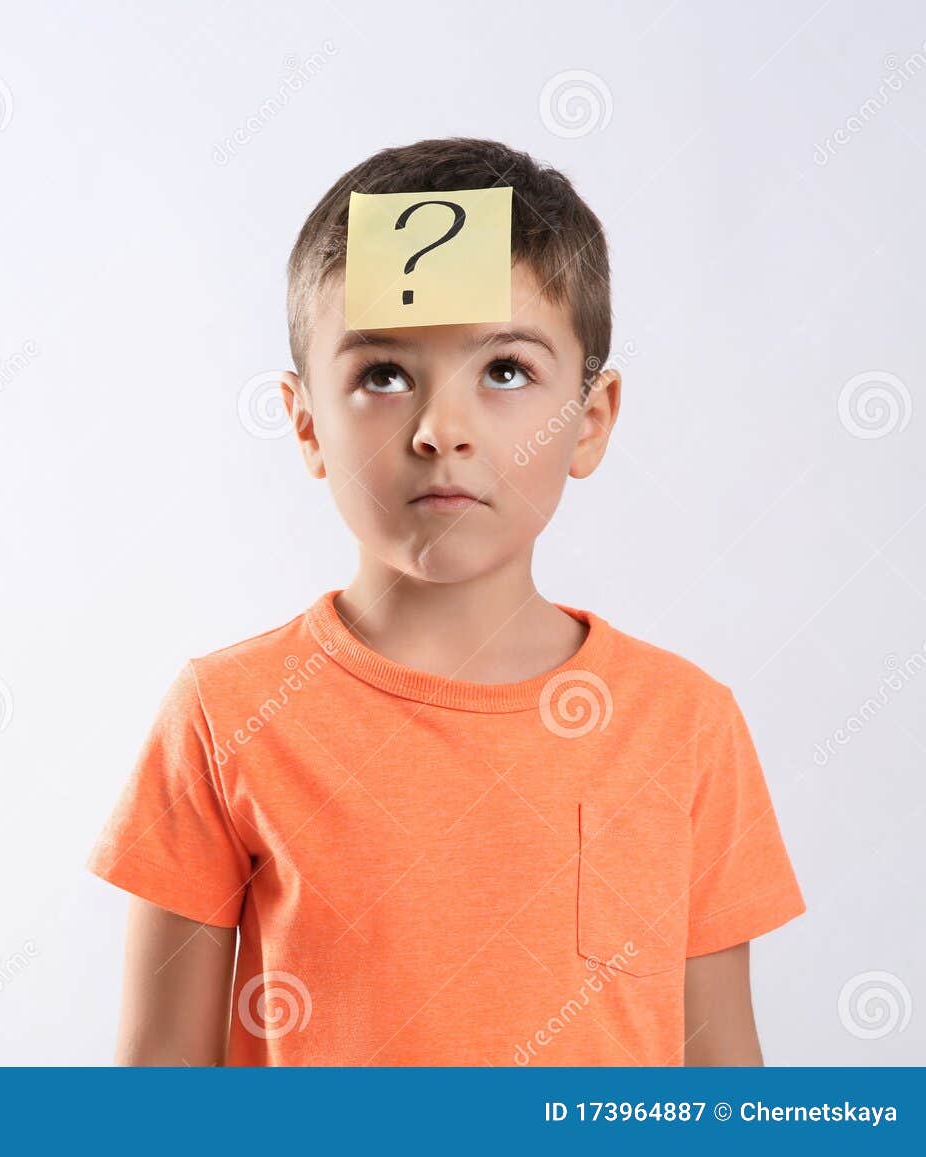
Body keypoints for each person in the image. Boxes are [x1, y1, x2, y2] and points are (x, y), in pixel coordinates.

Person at [85, 137, 805, 1066]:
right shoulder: (223, 717)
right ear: (307, 423)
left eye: (505, 370)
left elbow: (727, 1089)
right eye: (383, 375)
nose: (441, 430)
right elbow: (156, 1090)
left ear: (589, 419)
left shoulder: (687, 725)